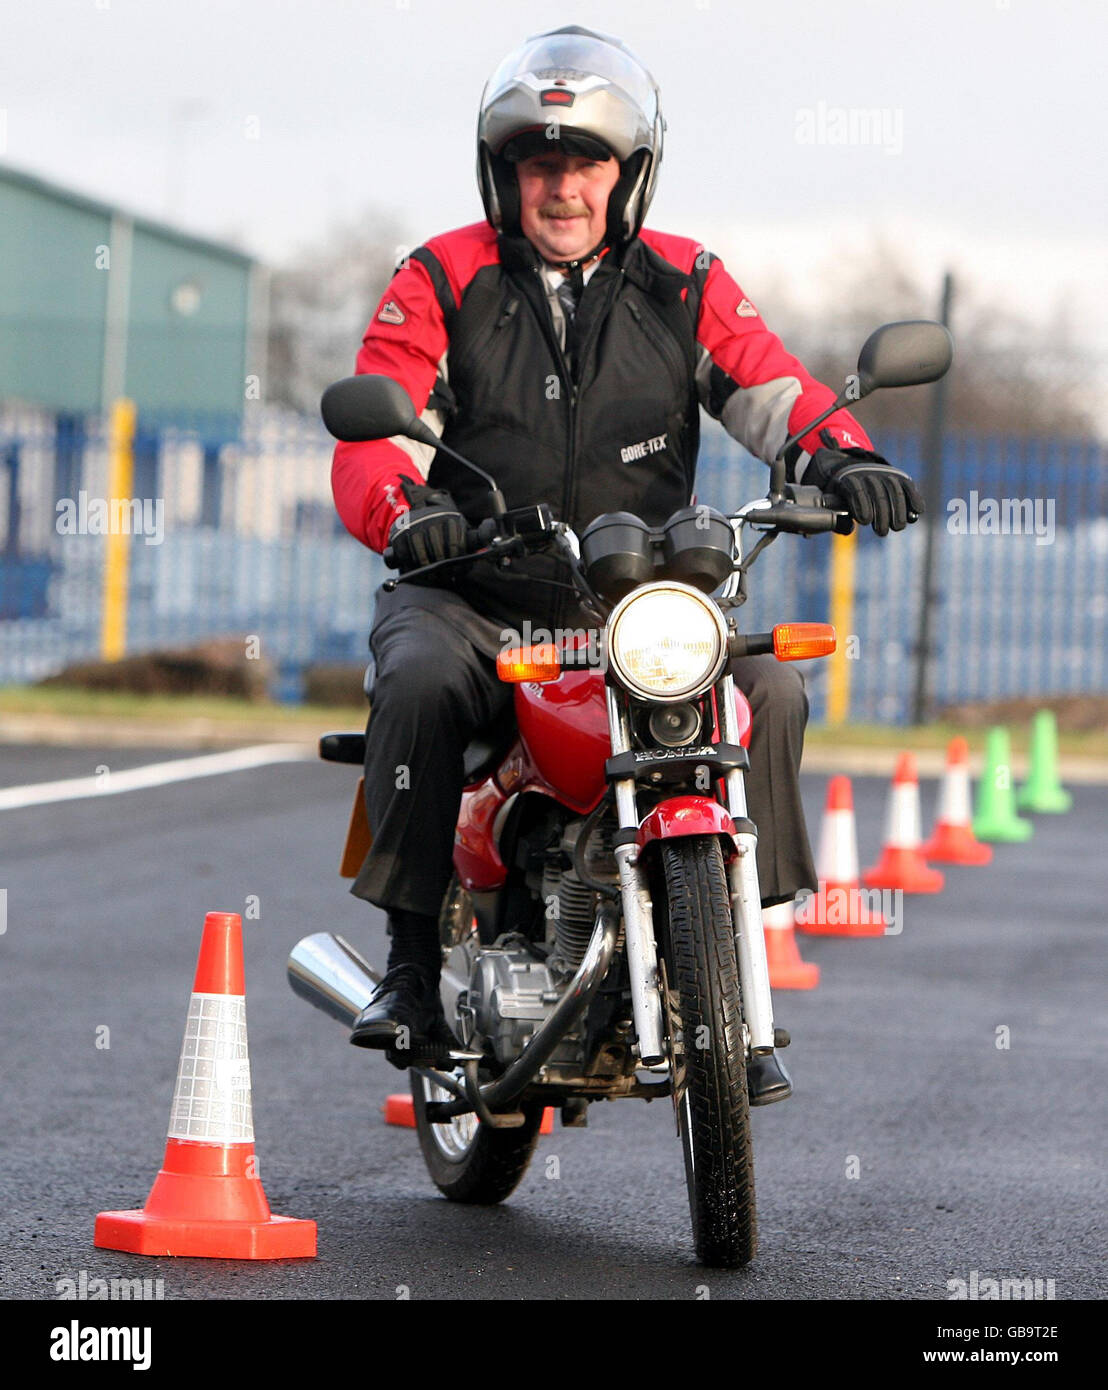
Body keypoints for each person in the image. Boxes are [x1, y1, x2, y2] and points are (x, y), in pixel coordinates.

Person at [330, 26, 923, 1057]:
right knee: (418, 672)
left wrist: (842, 456)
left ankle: (728, 957)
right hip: (472, 589)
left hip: (634, 598)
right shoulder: (441, 274)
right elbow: (376, 432)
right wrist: (405, 510)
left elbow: (772, 388)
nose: (562, 186)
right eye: (538, 161)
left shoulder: (683, 280)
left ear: (629, 172)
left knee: (770, 686)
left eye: (586, 161)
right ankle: (411, 967)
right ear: (505, 172)